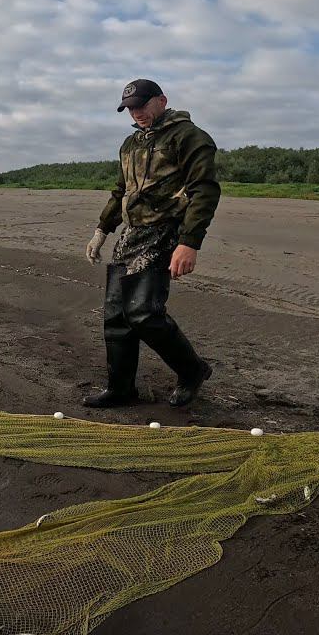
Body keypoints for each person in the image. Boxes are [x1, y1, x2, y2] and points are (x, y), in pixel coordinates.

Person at [82, 79, 220, 408]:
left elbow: (204, 190)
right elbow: (122, 191)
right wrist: (102, 229)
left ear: (162, 100)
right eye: (130, 108)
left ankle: (193, 370)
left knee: (143, 312)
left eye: (142, 105)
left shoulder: (188, 136)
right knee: (116, 315)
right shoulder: (130, 144)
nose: (137, 113)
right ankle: (121, 388)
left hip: (166, 232)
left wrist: (189, 242)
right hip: (132, 234)